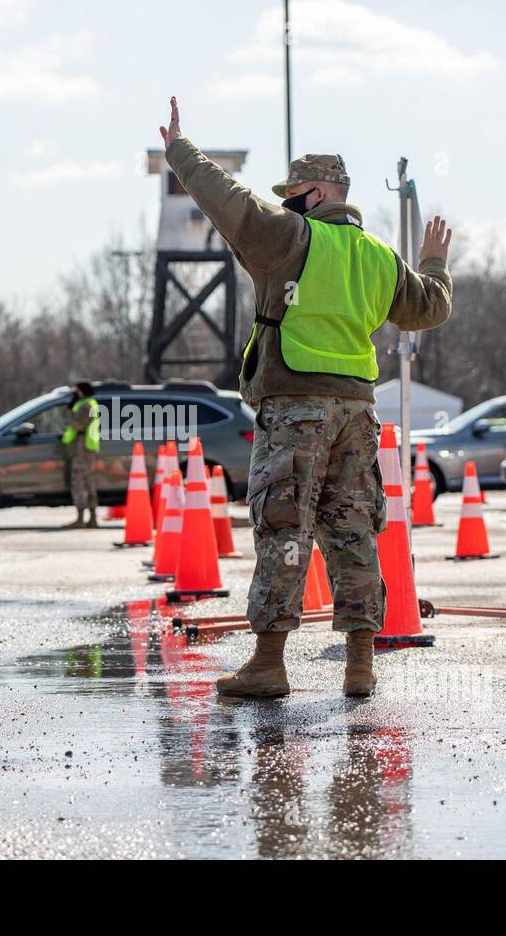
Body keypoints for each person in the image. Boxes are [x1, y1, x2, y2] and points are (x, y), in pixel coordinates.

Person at [158, 97, 453, 699]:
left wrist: (180, 153)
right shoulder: (380, 258)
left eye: (293, 191)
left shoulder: (291, 236)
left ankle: (268, 665)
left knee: (284, 526)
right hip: (357, 413)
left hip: (296, 407)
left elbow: (227, 200)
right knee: (353, 530)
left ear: (316, 194)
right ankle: (360, 666)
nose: (285, 200)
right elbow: (431, 307)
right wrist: (434, 263)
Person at [61, 381, 100, 528]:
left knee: (79, 482)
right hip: (87, 447)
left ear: (81, 392)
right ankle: (92, 518)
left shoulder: (86, 406)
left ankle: (81, 519)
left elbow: (77, 425)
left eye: (76, 392)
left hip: (83, 449)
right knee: (88, 482)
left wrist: (68, 411)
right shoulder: (90, 404)